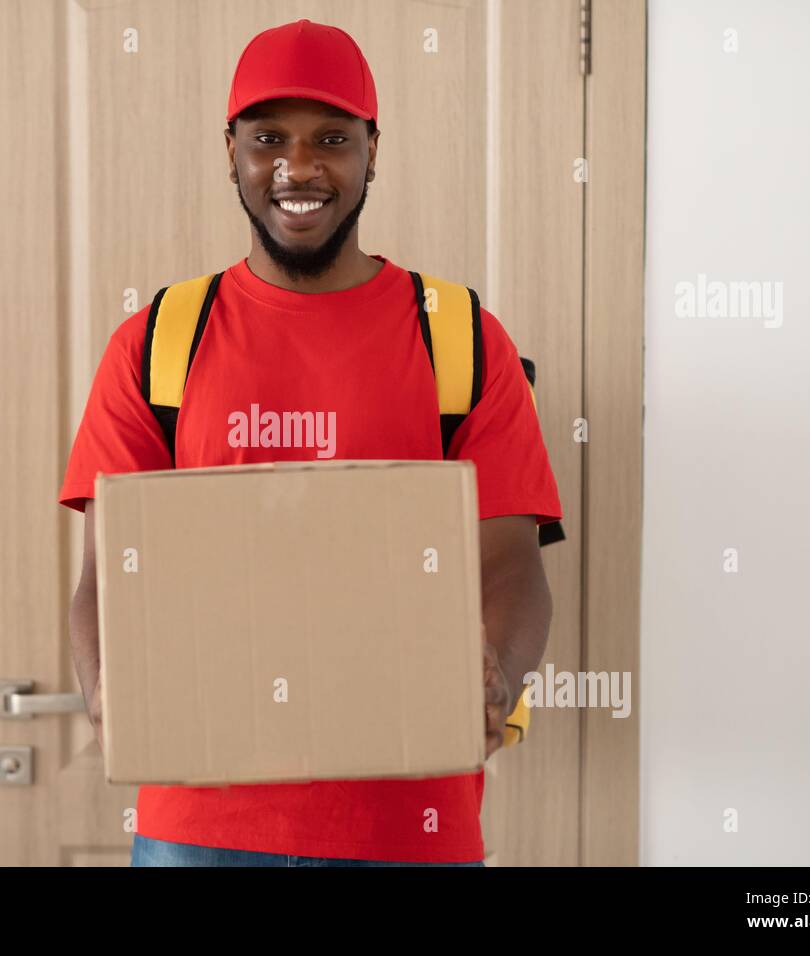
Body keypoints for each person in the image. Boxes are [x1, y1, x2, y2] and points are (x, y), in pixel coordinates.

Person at [59, 18, 562, 867]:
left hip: (408, 825)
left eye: (332, 137)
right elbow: (108, 575)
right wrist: (107, 683)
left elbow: (511, 566)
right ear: (232, 153)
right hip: (198, 830)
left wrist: (496, 674)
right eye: (269, 139)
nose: (299, 167)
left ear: (374, 148)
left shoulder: (461, 339)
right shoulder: (157, 343)